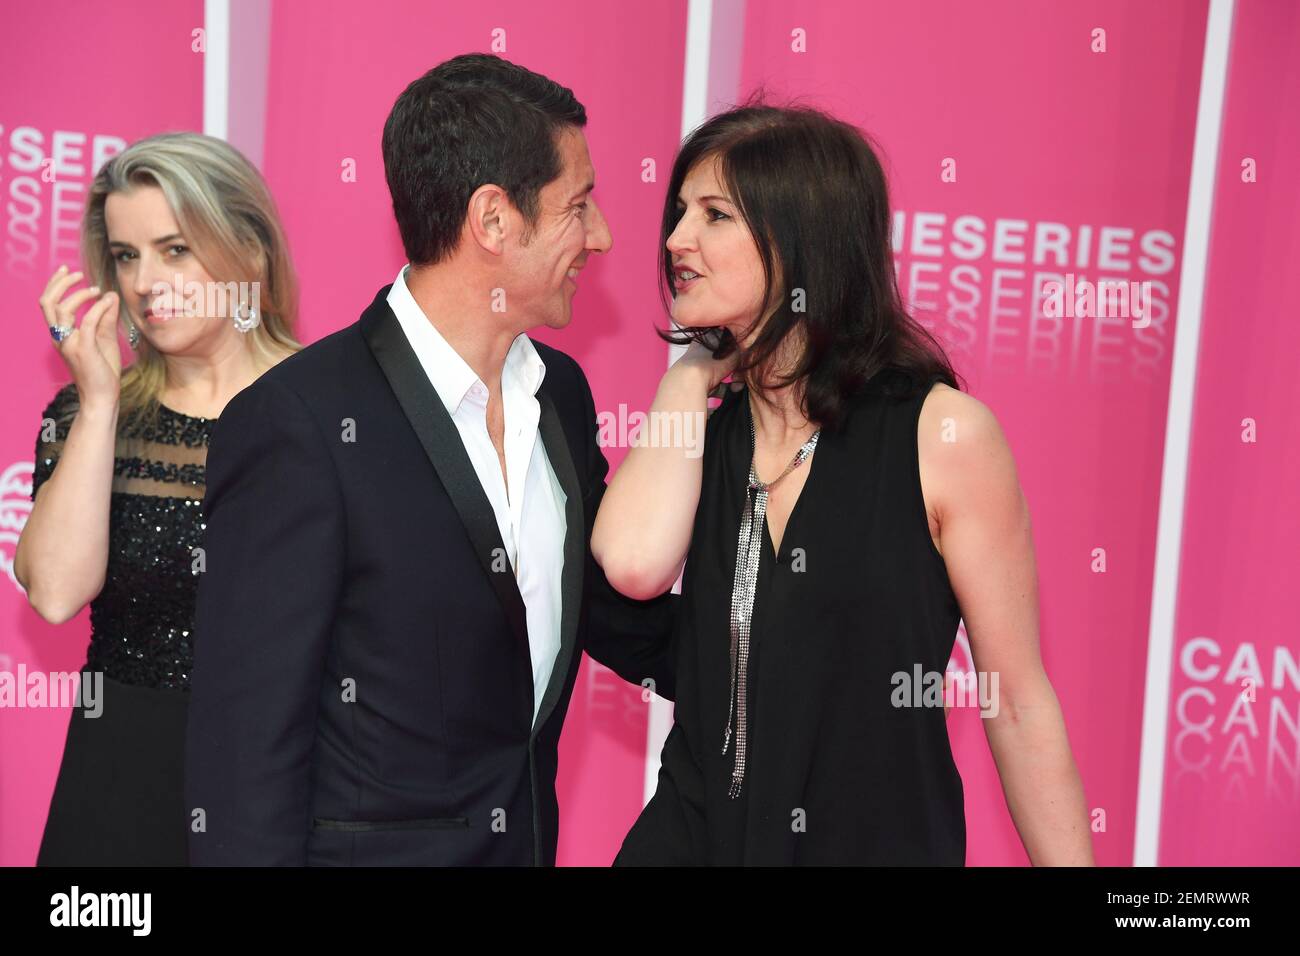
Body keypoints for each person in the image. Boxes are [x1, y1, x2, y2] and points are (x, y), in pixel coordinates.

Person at [184, 53, 676, 867]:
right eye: (578, 206)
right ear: (492, 220)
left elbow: (603, 613)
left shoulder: (561, 395)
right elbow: (246, 752)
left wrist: (795, 656)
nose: (602, 236)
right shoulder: (299, 424)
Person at [593, 102, 1095, 865]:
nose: (675, 240)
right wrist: (687, 378)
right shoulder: (703, 433)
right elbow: (632, 563)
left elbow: (1018, 702)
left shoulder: (940, 435)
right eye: (681, 211)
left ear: (803, 240)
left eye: (715, 214)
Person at [15, 131, 302, 866]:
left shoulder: (332, 412)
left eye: (176, 249)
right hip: (118, 788)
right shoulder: (89, 416)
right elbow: (52, 593)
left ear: (250, 250)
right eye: (126, 255)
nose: (146, 282)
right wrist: (102, 401)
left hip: (286, 787)